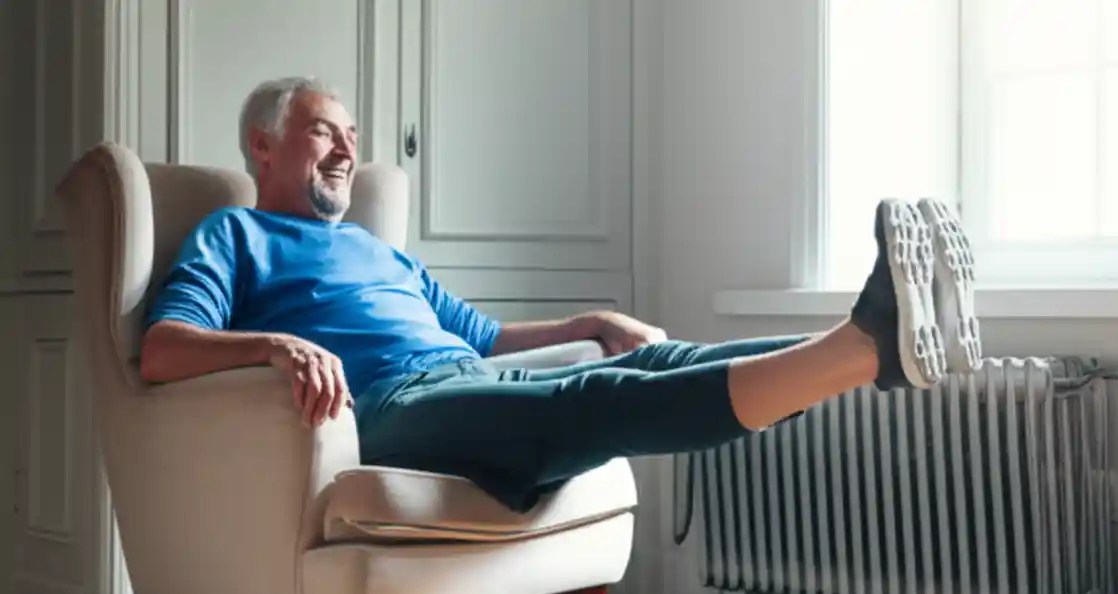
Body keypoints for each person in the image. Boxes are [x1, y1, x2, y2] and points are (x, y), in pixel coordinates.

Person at [141, 77, 983, 512]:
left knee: (658, 357)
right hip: (393, 409)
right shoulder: (234, 235)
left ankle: (872, 346)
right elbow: (161, 350)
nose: (346, 152)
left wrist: (587, 320)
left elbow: (480, 334)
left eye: (352, 137)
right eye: (325, 130)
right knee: (599, 398)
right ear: (263, 144)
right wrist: (277, 344)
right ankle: (872, 345)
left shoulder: (373, 246)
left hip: (467, 375)